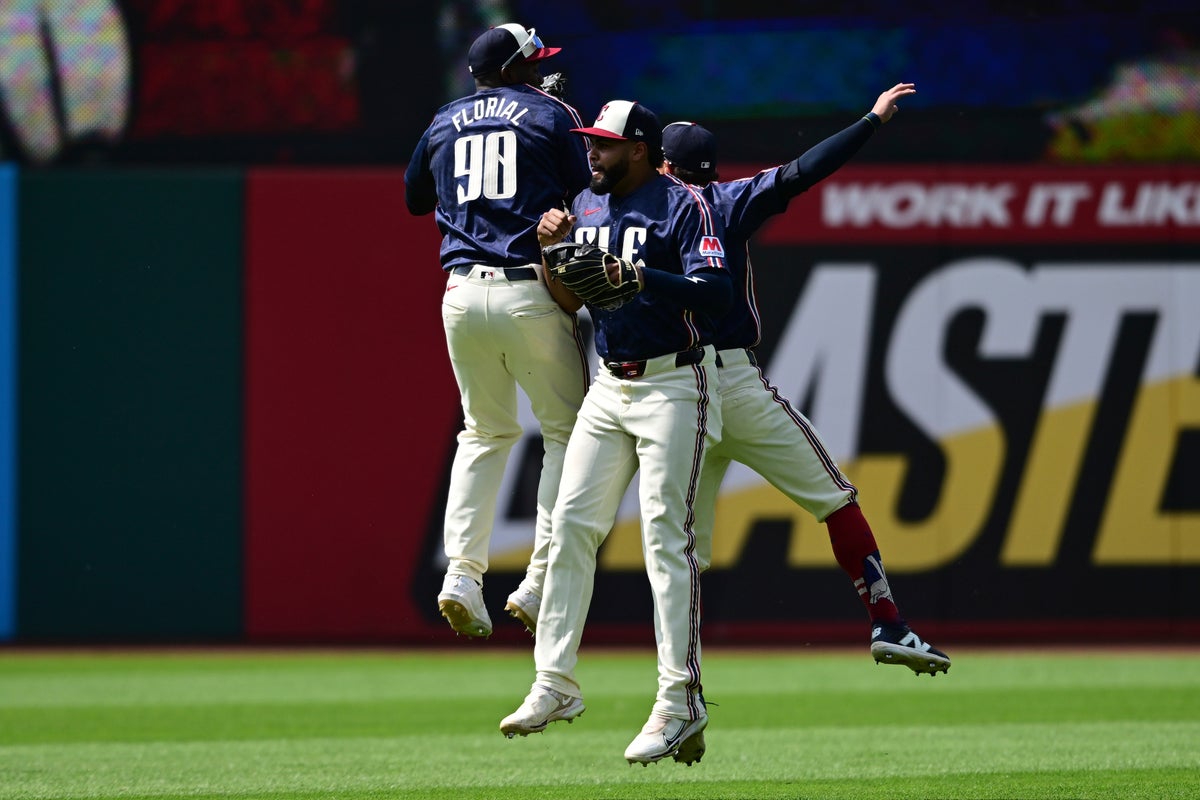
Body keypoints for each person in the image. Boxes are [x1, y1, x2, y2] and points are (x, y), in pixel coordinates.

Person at [660, 84, 951, 675]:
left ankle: (670, 679)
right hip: (733, 382)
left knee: (678, 548)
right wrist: (870, 121)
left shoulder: (635, 207)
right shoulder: (725, 201)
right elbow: (802, 171)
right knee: (836, 502)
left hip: (671, 388)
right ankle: (888, 622)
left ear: (663, 164)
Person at [498, 100, 732, 766]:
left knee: (666, 540)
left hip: (674, 382)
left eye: (603, 145)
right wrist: (552, 253)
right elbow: (572, 299)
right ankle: (554, 682)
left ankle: (680, 700)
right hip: (611, 382)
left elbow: (714, 294)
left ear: (638, 149)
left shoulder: (683, 205)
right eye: (590, 144)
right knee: (570, 526)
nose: (591, 154)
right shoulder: (585, 206)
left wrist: (641, 276)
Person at [404, 23, 593, 638]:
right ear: (514, 68)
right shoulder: (548, 112)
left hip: (460, 291)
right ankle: (538, 582)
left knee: (483, 432)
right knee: (567, 434)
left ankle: (462, 573)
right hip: (527, 289)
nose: (541, 71)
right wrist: (554, 119)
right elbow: (590, 188)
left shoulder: (443, 117)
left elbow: (414, 198)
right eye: (533, 63)